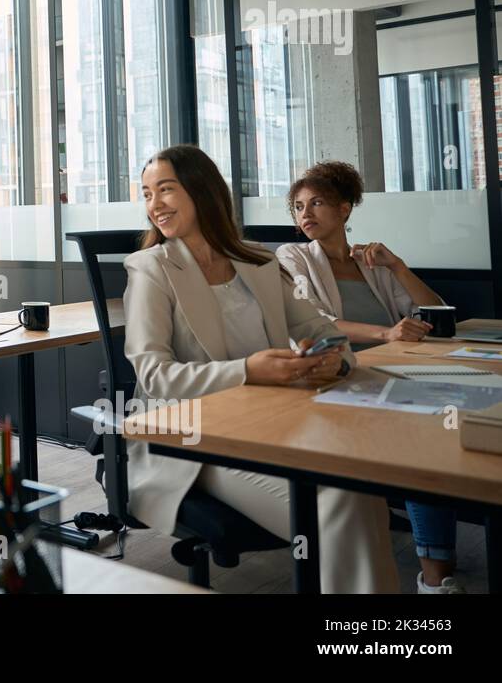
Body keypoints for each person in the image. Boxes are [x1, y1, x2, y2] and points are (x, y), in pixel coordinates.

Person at [122, 144, 399, 594]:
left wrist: (333, 359)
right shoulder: (151, 269)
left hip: (274, 425)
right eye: (147, 193)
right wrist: (248, 370)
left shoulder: (260, 262)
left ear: (203, 192)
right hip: (197, 439)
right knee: (338, 502)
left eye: (166, 190)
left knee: (361, 488)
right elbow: (156, 377)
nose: (154, 204)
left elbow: (322, 330)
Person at [278, 160, 461, 594]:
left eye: (317, 203)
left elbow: (435, 311)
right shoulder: (294, 256)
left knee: (455, 422)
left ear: (345, 209)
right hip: (339, 377)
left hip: (393, 371)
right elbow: (313, 321)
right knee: (425, 443)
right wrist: (385, 331)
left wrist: (397, 266)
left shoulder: (371, 261)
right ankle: (436, 580)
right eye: (298, 206)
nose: (305, 214)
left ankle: (439, 557)